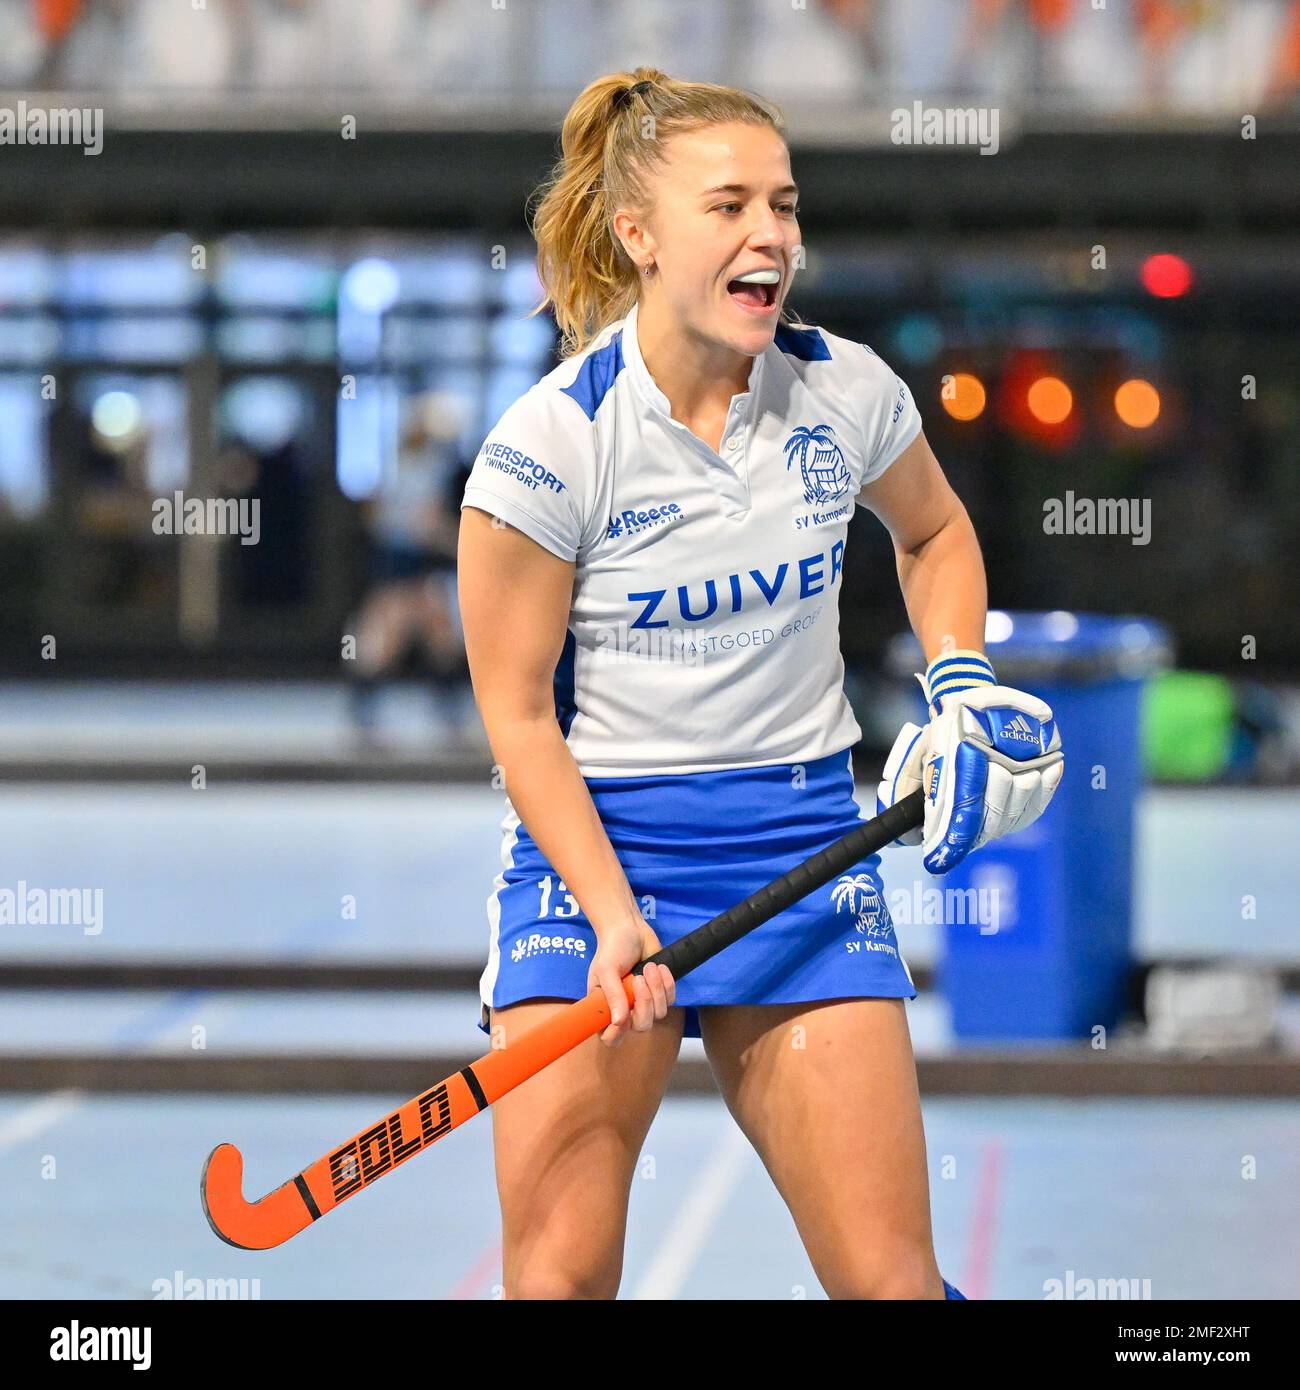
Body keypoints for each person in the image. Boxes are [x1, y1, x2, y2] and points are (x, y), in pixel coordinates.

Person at [457, 67, 1063, 1301]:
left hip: (803, 850)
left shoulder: (843, 390)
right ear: (636, 234)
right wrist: (613, 910)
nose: (770, 236)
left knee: (891, 1284)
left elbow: (935, 534)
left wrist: (958, 682)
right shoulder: (546, 449)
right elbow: (517, 716)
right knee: (556, 1283)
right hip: (597, 863)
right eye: (728, 205)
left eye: (783, 206)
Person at [346, 391, 468, 743]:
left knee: (438, 635)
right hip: (400, 563)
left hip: (410, 563)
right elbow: (423, 523)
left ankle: (448, 718)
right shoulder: (420, 468)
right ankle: (366, 715)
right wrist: (468, 545)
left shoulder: (409, 464)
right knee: (384, 638)